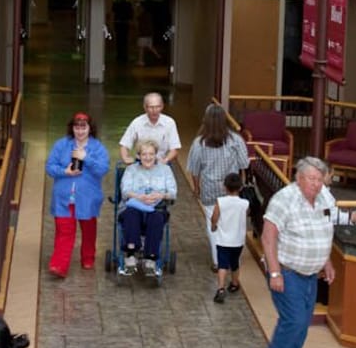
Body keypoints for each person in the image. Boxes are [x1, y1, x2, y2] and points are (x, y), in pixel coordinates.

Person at [258, 157, 337, 348]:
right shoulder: (284, 200)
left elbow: (325, 231)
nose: (316, 183)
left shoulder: (325, 197)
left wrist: (327, 261)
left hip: (311, 273)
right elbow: (268, 237)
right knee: (294, 320)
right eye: (312, 178)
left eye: (320, 179)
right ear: (299, 178)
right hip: (287, 270)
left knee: (302, 325)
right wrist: (274, 273)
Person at [45, 112, 110, 278]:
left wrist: (86, 158)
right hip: (64, 198)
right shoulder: (61, 145)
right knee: (63, 230)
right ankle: (59, 265)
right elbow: (50, 166)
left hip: (88, 198)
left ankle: (88, 257)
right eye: (76, 128)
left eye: (83, 128)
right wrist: (64, 171)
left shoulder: (97, 148)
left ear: (90, 129)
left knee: (89, 229)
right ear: (72, 128)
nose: (80, 131)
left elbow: (102, 169)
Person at [186, 103, 248, 265]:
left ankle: (217, 261)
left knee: (213, 225)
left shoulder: (199, 143)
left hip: (209, 190)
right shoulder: (236, 140)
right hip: (232, 190)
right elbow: (244, 164)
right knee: (232, 223)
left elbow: (194, 169)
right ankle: (233, 258)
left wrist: (196, 188)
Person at [118, 140, 176, 276]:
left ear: (156, 155)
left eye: (151, 154)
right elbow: (125, 191)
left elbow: (173, 193)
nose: (148, 157)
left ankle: (150, 258)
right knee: (131, 214)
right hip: (134, 205)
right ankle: (131, 254)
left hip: (157, 207)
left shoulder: (165, 170)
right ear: (138, 155)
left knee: (155, 218)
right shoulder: (131, 169)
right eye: (144, 154)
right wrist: (140, 197)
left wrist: (160, 195)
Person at [211, 171, 248, 303]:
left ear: (224, 186)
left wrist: (213, 226)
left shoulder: (220, 202)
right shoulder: (245, 203)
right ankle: (234, 283)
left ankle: (221, 288)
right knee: (235, 263)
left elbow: (215, 217)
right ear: (241, 187)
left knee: (222, 265)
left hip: (223, 240)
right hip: (238, 240)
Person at [118, 92, 180, 166]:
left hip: (162, 161)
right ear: (145, 107)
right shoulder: (137, 122)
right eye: (151, 107)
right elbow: (124, 145)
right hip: (141, 162)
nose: (154, 110)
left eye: (158, 107)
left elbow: (175, 149)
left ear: (162, 106)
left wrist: (165, 160)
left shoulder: (169, 122)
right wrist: (125, 158)